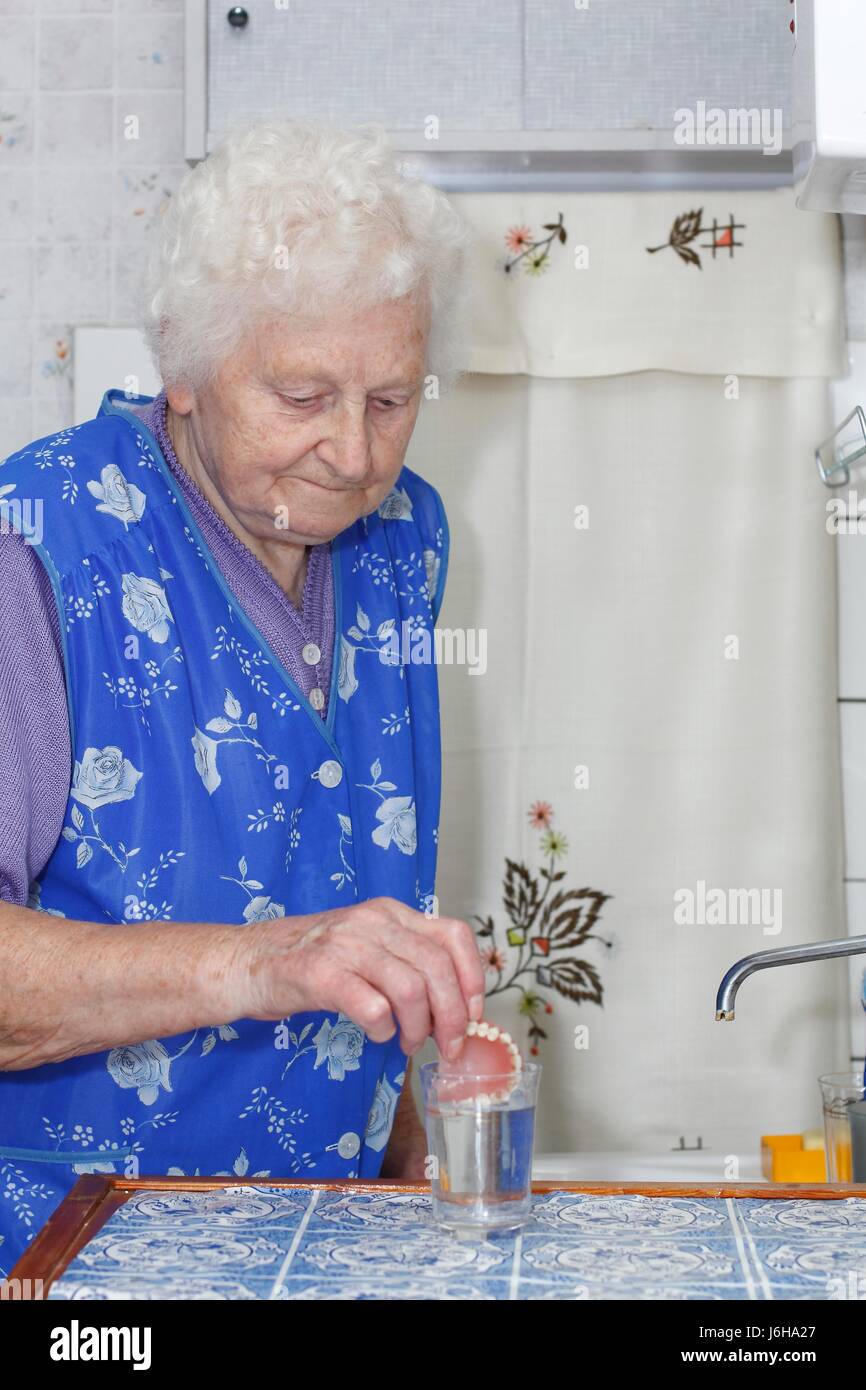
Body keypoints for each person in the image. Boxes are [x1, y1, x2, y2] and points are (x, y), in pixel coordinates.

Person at [0, 119, 484, 1276]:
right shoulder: (41, 544)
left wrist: (403, 1145)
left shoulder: (405, 536)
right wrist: (263, 963)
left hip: (331, 1243)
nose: (352, 455)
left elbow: (354, 885)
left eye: (387, 399)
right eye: (303, 393)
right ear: (182, 364)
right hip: (70, 1257)